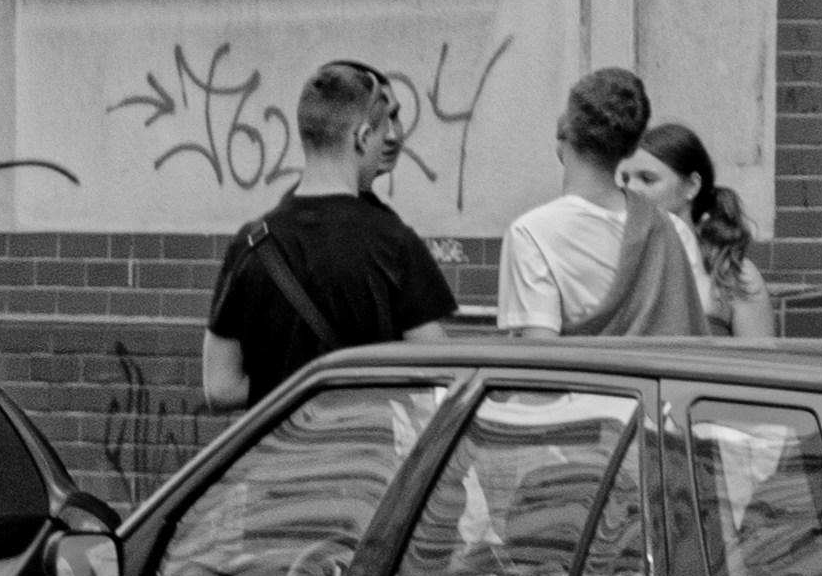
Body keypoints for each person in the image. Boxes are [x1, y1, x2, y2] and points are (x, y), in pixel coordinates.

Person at [197, 60, 459, 400]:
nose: (389, 141)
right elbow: (440, 369)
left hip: (276, 449)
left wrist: (293, 389)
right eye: (382, 134)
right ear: (363, 137)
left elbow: (220, 389)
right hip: (364, 446)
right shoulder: (392, 242)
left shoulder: (251, 242)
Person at [493, 67, 710, 339]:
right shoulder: (674, 231)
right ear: (632, 148)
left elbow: (542, 359)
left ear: (565, 130)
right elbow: (688, 337)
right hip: (659, 381)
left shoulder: (531, 234)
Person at [626, 118, 778, 339]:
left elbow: (761, 367)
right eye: (625, 179)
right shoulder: (617, 261)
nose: (631, 189)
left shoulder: (732, 275)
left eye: (647, 179)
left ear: (692, 186)